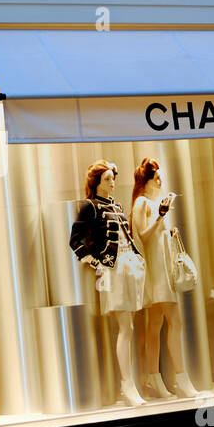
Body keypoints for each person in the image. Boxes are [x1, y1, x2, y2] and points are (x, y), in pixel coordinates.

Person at [70, 160, 147, 407]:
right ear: (96, 182)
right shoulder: (89, 207)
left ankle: (130, 384)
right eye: (107, 179)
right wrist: (95, 262)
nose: (112, 183)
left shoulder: (116, 204)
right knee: (126, 328)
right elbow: (75, 240)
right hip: (113, 270)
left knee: (130, 327)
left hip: (129, 266)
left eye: (113, 178)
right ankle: (127, 384)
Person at [131, 157, 206, 399]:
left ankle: (154, 378)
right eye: (158, 176)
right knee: (174, 322)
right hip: (156, 271)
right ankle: (181, 378)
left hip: (162, 268)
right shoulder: (142, 202)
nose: (161, 180)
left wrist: (167, 228)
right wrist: (160, 217)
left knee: (156, 325)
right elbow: (141, 235)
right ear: (148, 179)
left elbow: (154, 235)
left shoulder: (152, 203)